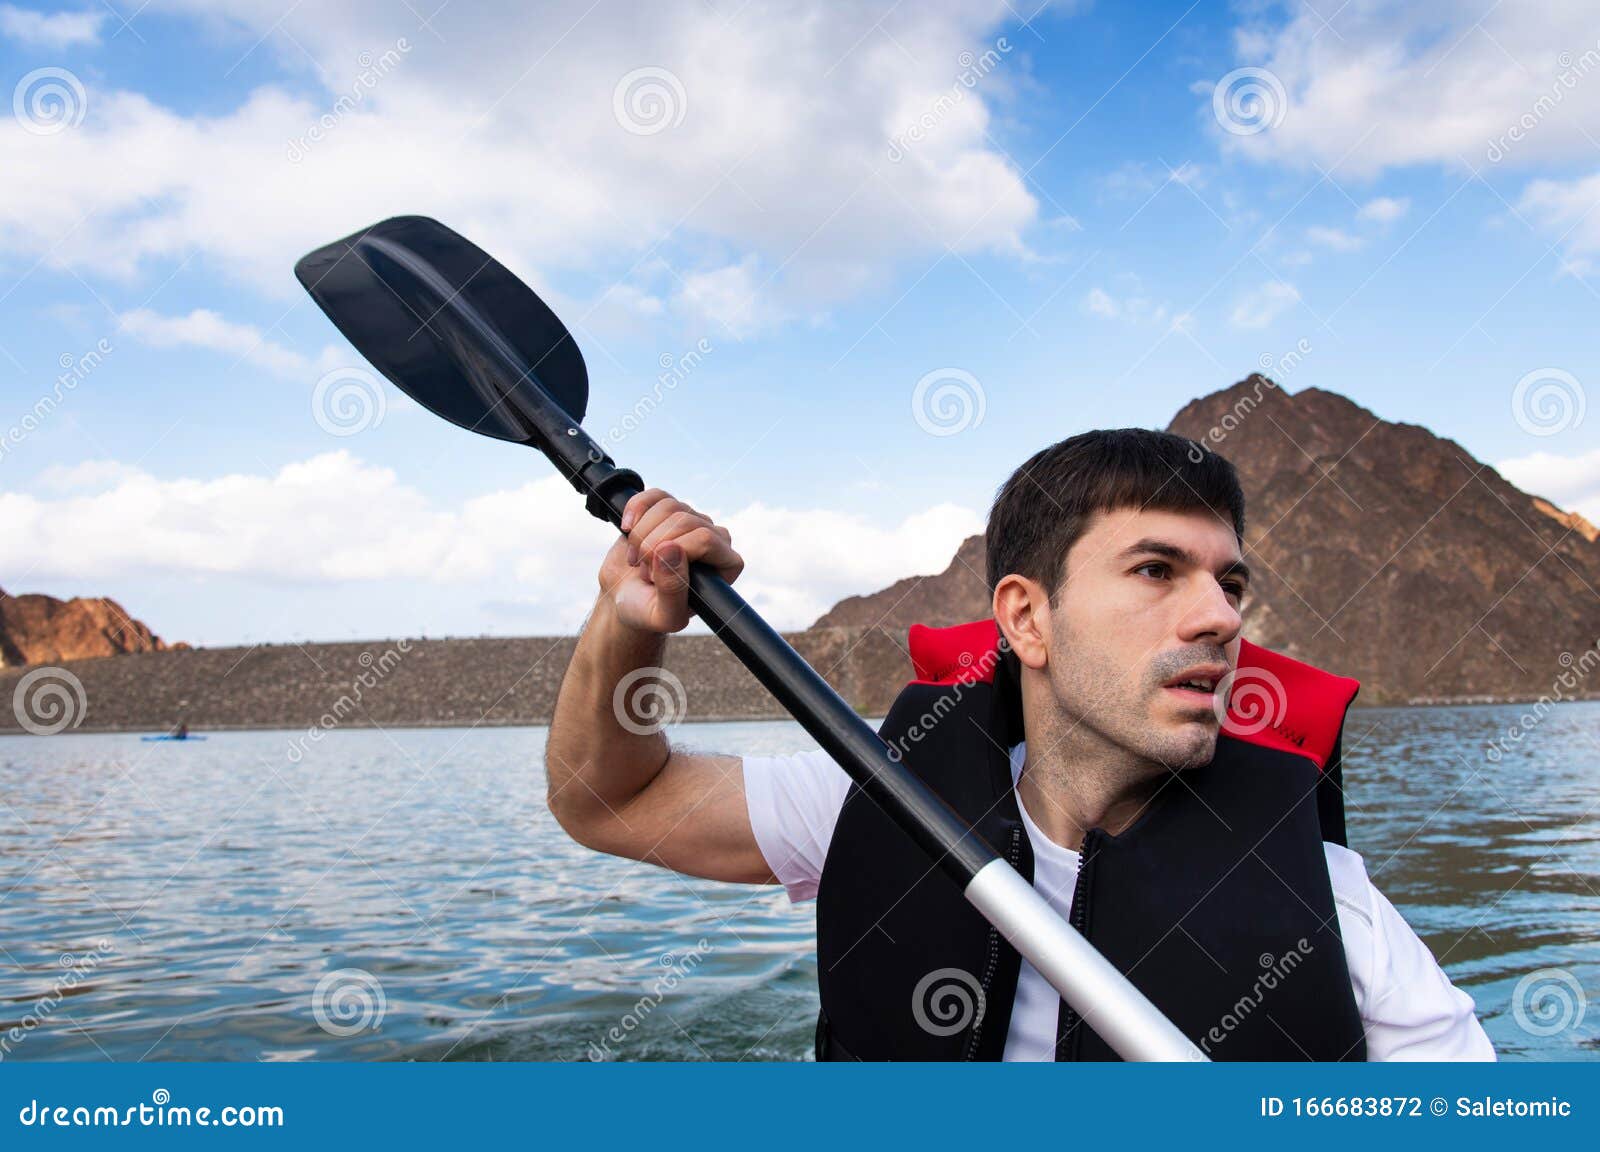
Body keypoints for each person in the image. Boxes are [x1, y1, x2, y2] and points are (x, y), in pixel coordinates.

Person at [545, 428, 1494, 1061]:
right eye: (1157, 570)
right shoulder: (878, 797)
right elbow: (609, 799)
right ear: (1027, 619)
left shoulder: (1334, 908)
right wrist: (627, 620)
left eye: (1231, 583)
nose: (1220, 617)